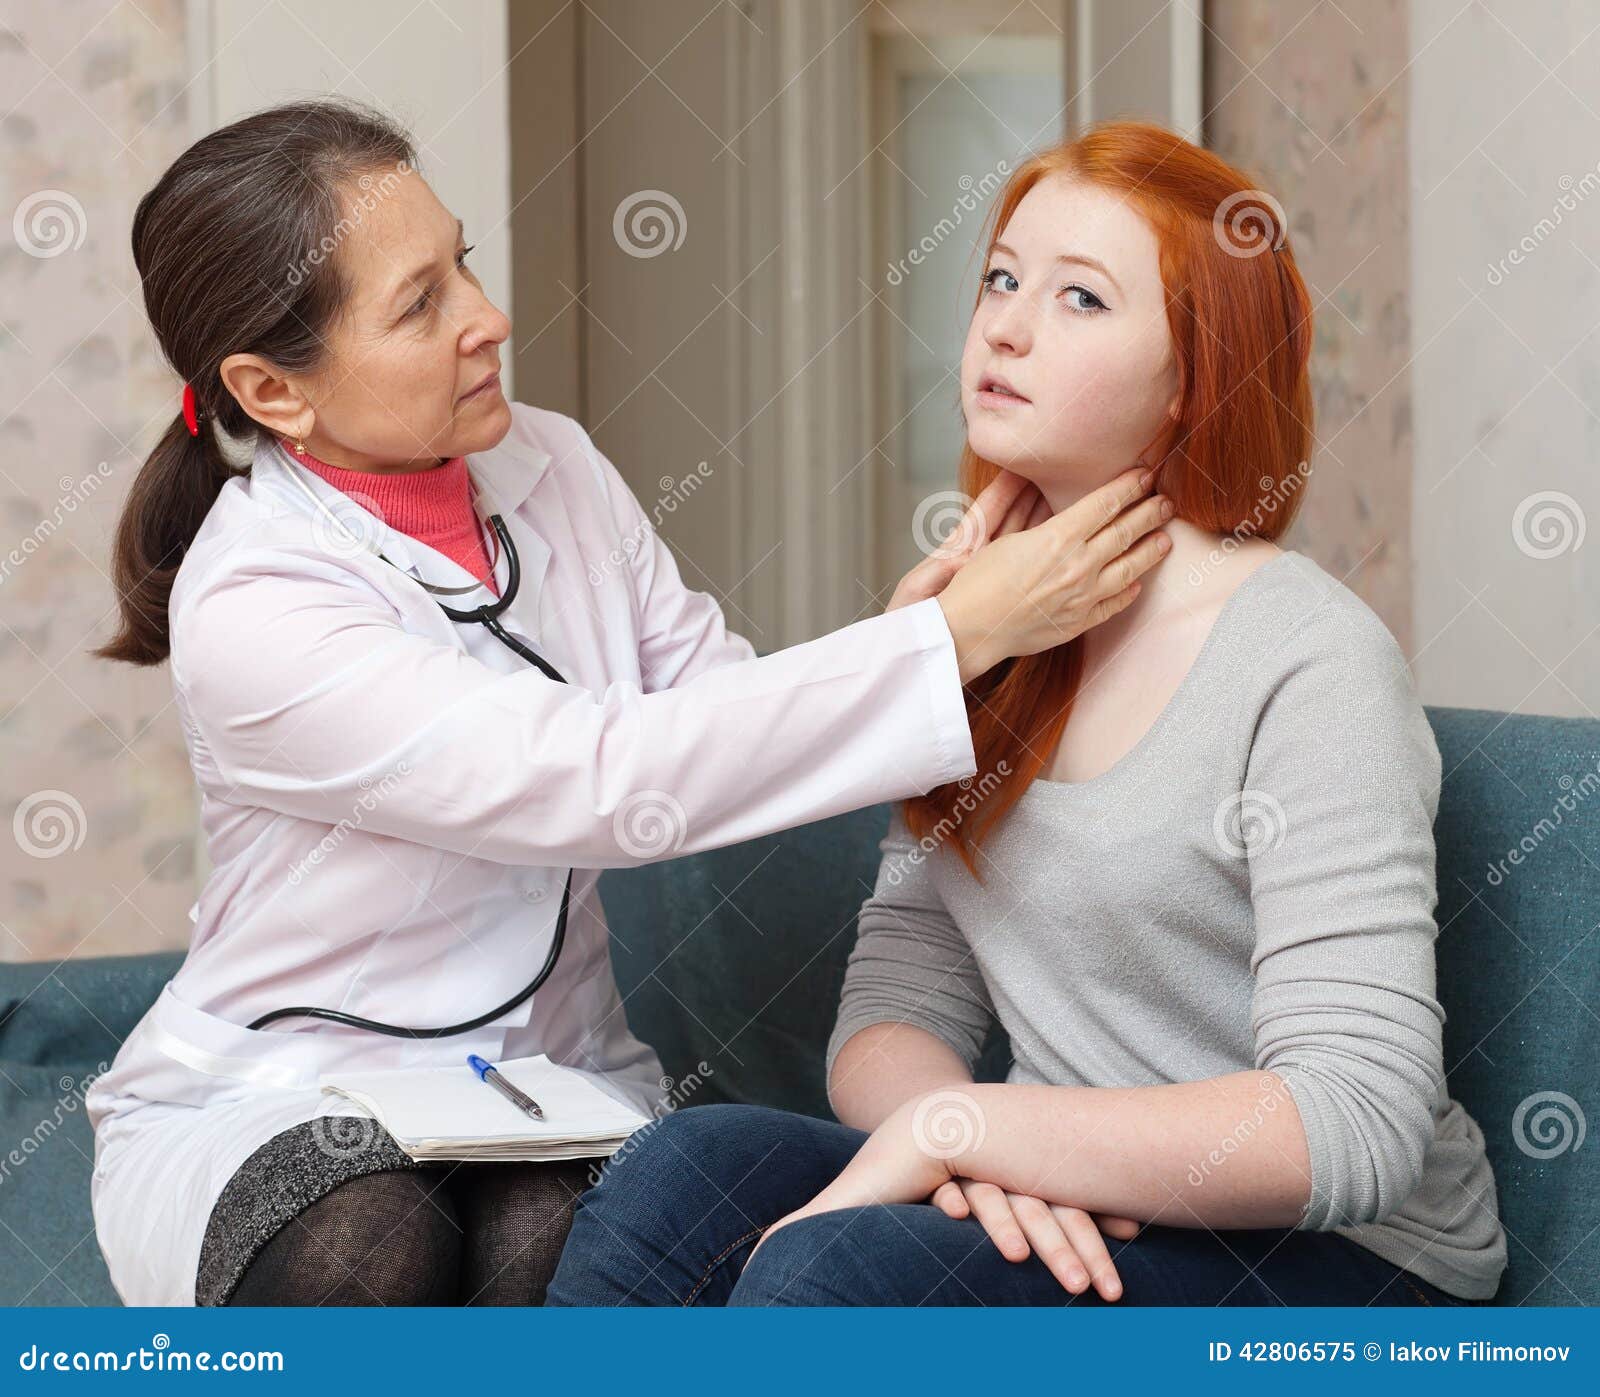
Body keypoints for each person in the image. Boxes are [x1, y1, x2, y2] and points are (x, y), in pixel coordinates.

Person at [83, 97, 1172, 1307]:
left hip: (543, 1082)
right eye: (419, 303)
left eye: (464, 265)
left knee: (557, 1228)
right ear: (270, 391)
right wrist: (941, 641)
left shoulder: (555, 466)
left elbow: (715, 708)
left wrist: (933, 641)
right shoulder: (255, 605)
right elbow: (597, 779)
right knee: (373, 1228)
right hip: (291, 1089)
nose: (487, 320)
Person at [545, 120, 1508, 1308]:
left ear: (1191, 381)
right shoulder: (987, 630)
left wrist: (972, 1125)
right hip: (1094, 1194)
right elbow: (892, 1007)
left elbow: (1352, 1123)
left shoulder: (1309, 660)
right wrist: (983, 1150)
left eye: (1081, 299)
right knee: (674, 1175)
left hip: (1349, 1264)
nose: (1002, 324)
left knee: (829, 1271)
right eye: (1000, 278)